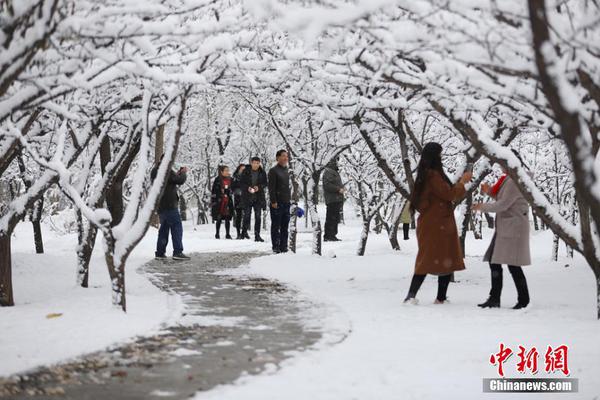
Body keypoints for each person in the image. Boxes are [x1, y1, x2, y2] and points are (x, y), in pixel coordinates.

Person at [404, 142, 472, 304]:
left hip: (433, 223)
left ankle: (437, 297)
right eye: (440, 155)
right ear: (435, 157)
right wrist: (462, 182)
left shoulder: (425, 174)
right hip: (438, 225)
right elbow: (448, 194)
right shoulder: (433, 175)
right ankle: (414, 296)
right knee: (437, 258)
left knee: (438, 258)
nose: (441, 158)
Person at [472, 153, 531, 309]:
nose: (499, 166)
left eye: (501, 163)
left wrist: (481, 207)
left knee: (511, 264)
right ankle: (497, 298)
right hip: (508, 227)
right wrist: (489, 191)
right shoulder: (510, 178)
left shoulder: (514, 181)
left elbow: (503, 204)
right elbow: (502, 197)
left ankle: (521, 300)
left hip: (513, 227)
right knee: (498, 262)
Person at [151, 163, 190, 261]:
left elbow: (171, 180)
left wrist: (177, 174)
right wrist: (183, 173)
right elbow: (179, 180)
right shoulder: (165, 169)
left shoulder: (155, 170)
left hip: (161, 205)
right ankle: (177, 251)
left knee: (164, 229)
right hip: (170, 205)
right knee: (176, 227)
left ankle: (160, 253)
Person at [268, 149, 291, 254]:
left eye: (286, 156)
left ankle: (284, 246)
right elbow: (271, 188)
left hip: (286, 202)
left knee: (285, 226)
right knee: (276, 225)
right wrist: (273, 201)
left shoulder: (286, 170)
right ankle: (276, 246)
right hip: (277, 202)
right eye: (283, 156)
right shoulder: (273, 171)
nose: (285, 158)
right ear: (278, 158)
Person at [240, 157, 268, 242]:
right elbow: (241, 183)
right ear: (251, 163)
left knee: (258, 216)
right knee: (247, 216)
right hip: (247, 197)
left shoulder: (262, 172)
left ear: (259, 163)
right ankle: (243, 233)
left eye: (257, 163)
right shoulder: (246, 171)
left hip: (258, 198)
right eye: (254, 163)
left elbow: (265, 183)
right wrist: (247, 188)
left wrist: (259, 187)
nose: (256, 165)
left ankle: (257, 235)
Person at [322, 157, 345, 242]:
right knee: (331, 218)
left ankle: (332, 235)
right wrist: (338, 189)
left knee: (335, 218)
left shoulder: (334, 171)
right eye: (336, 161)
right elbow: (327, 185)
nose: (338, 162)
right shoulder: (328, 172)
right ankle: (328, 236)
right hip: (332, 199)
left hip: (337, 198)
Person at [211, 165, 234, 240]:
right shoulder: (217, 180)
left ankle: (227, 234)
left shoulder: (231, 179)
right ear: (221, 172)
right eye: (226, 170)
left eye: (228, 170)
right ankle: (217, 233)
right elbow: (214, 191)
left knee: (227, 216)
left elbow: (233, 188)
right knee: (219, 217)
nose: (227, 172)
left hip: (228, 200)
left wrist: (229, 192)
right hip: (219, 201)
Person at [232, 164, 246, 239]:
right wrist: (238, 191)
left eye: (244, 169)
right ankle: (238, 232)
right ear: (238, 169)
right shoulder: (235, 178)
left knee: (246, 216)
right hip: (238, 198)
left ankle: (244, 232)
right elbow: (232, 188)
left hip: (246, 198)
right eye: (241, 169)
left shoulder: (247, 177)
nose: (243, 171)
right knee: (239, 216)